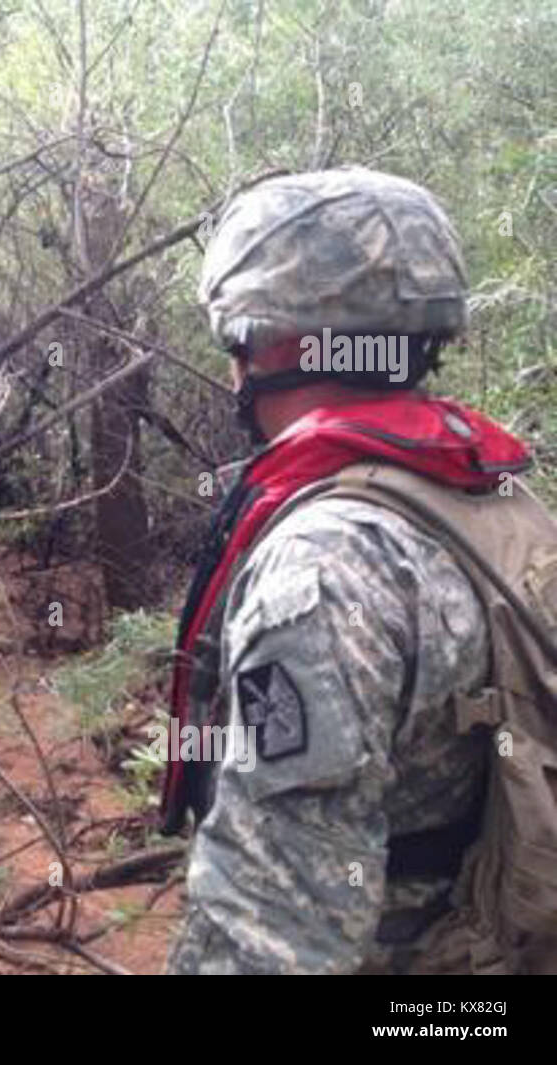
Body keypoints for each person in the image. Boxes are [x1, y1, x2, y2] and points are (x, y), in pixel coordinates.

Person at [162, 167, 557, 974]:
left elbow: (277, 920)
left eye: (236, 337)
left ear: (271, 345)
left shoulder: (325, 567)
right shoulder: (498, 494)